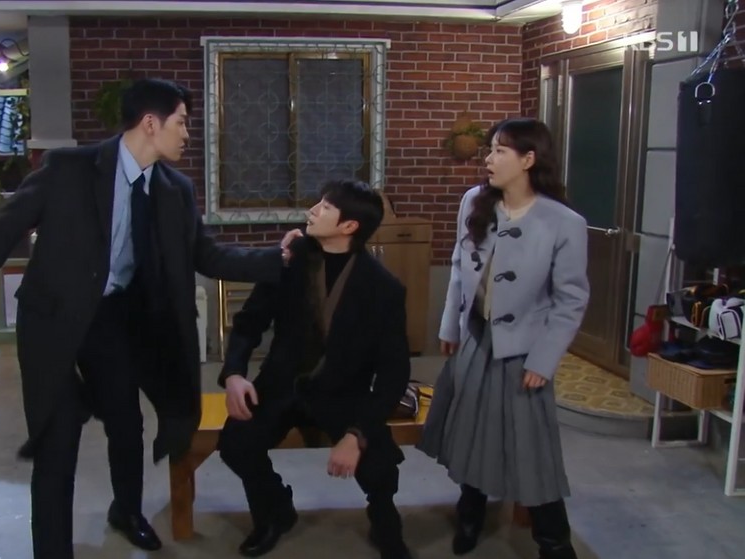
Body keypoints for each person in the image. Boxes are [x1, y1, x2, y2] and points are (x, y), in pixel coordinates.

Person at [0, 78, 301, 558]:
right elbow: (6, 226)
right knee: (57, 439)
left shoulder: (174, 190)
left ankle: (126, 510)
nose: (187, 134)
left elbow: (207, 255)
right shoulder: (69, 169)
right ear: (150, 123)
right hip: (53, 318)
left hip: (113, 317)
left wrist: (276, 259)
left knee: (126, 421)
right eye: (181, 122)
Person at [418, 117, 589, 559]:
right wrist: (450, 326)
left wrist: (543, 360)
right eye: (489, 149)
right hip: (476, 337)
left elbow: (570, 301)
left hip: (525, 351)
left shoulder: (563, 222)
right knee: (471, 431)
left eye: (500, 151)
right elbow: (459, 268)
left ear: (528, 160)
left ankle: (553, 542)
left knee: (533, 451)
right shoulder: (474, 201)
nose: (488, 159)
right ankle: (470, 515)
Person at [215, 179, 413, 559]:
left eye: (324, 207)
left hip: (343, 392)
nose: (312, 210)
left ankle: (384, 522)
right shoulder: (288, 261)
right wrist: (235, 374)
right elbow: (248, 324)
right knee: (236, 444)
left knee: (380, 465)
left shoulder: (383, 287)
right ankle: (275, 511)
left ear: (349, 226)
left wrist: (356, 434)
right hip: (281, 384)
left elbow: (394, 372)